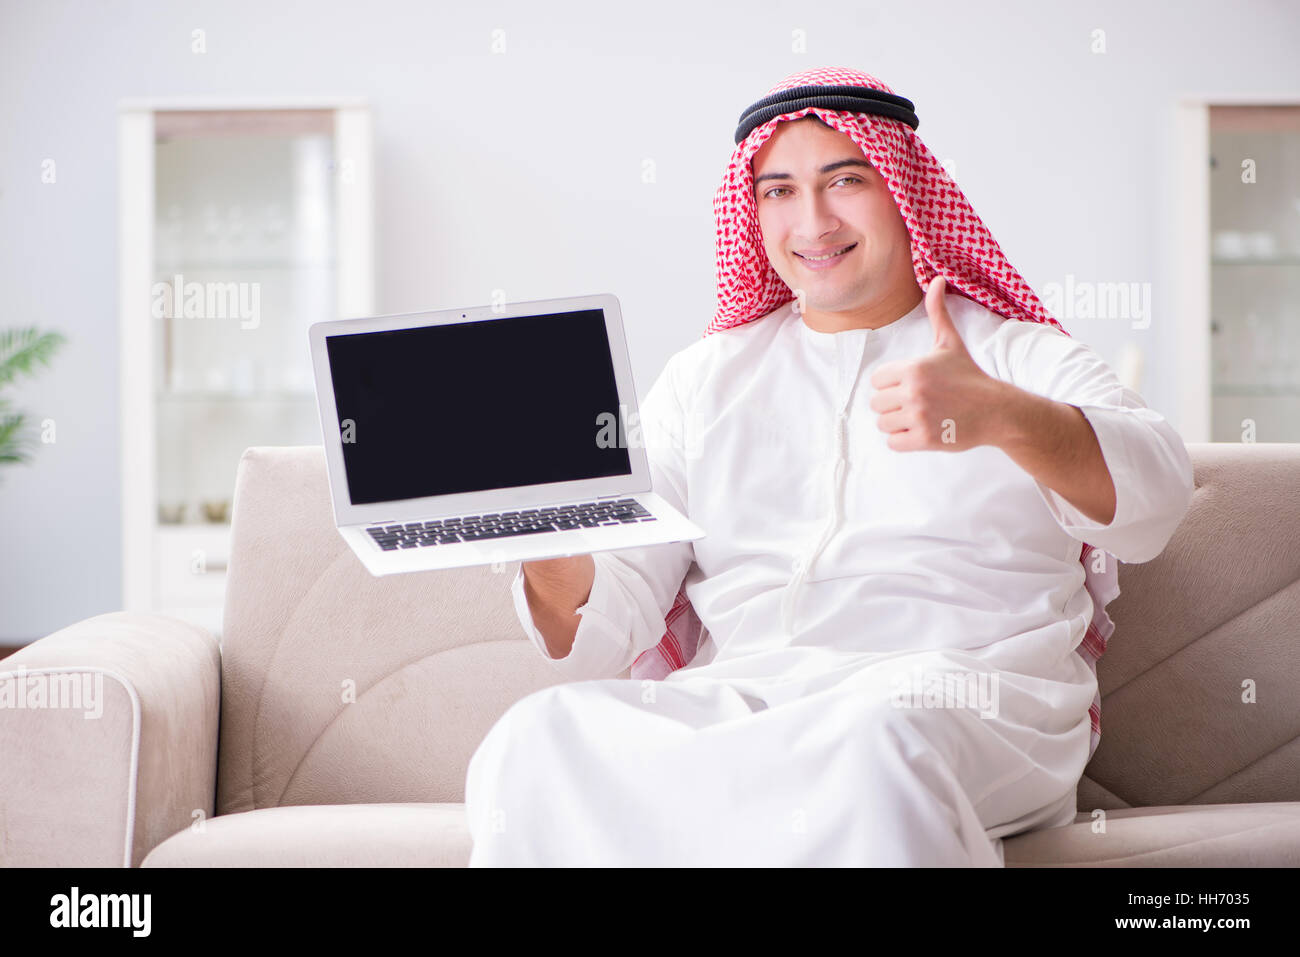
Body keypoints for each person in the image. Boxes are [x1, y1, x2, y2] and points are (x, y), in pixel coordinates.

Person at [463, 67, 1196, 867]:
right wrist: (551, 540)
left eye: (845, 180)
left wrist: (1002, 415)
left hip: (963, 700)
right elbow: (607, 626)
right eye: (778, 191)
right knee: (533, 742)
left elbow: (1156, 501)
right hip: (744, 706)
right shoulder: (705, 378)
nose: (811, 220)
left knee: (872, 746)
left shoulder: (1015, 354)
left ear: (904, 188)